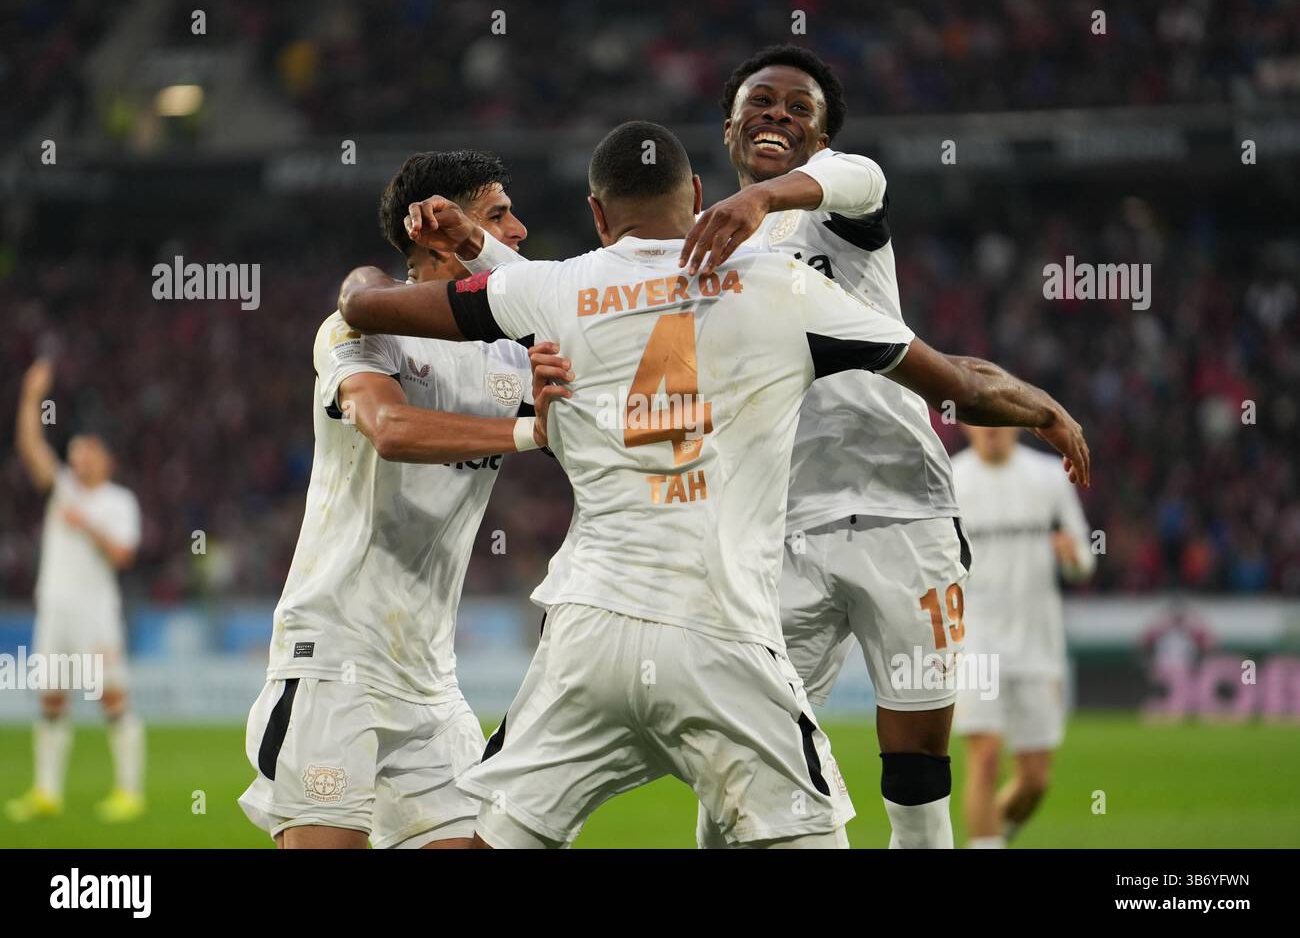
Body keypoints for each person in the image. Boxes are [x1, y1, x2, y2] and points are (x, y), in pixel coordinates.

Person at [336, 120, 1089, 848]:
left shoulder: (547, 291)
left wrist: (416, 253)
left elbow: (366, 307)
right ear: (697, 194)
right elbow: (958, 385)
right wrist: (1043, 408)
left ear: (597, 215)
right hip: (720, 635)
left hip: (583, 638)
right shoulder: (786, 287)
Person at [679, 43, 988, 848]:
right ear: (727, 128)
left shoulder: (843, 210)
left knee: (916, 769)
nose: (776, 114)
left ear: (822, 138)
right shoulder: (698, 249)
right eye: (760, 101)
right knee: (740, 759)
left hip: (905, 514)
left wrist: (764, 200)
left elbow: (862, 177)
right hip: (776, 530)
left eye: (798, 108)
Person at [237, 150, 571, 849]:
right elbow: (388, 429)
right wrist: (525, 431)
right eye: (498, 215)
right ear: (435, 228)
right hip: (334, 657)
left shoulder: (513, 356)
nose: (521, 229)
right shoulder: (360, 329)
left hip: (427, 679)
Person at [6, 358, 144, 823]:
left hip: (96, 611)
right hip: (55, 609)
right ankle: (46, 791)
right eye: (75, 450)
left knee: (112, 696)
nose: (77, 457)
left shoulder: (119, 501)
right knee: (51, 698)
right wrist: (30, 396)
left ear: (105, 458)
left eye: (86, 451)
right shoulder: (61, 488)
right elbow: (31, 446)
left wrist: (86, 525)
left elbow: (123, 555)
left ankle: (129, 791)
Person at [950, 425, 1095, 848]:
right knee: (986, 756)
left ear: (1015, 421)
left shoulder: (1050, 475)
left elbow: (1083, 558)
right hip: (975, 641)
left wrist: (1075, 561)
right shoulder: (950, 478)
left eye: (999, 419)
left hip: (1038, 644)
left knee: (1034, 780)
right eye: (981, 419)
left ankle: (996, 834)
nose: (991, 428)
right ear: (966, 424)